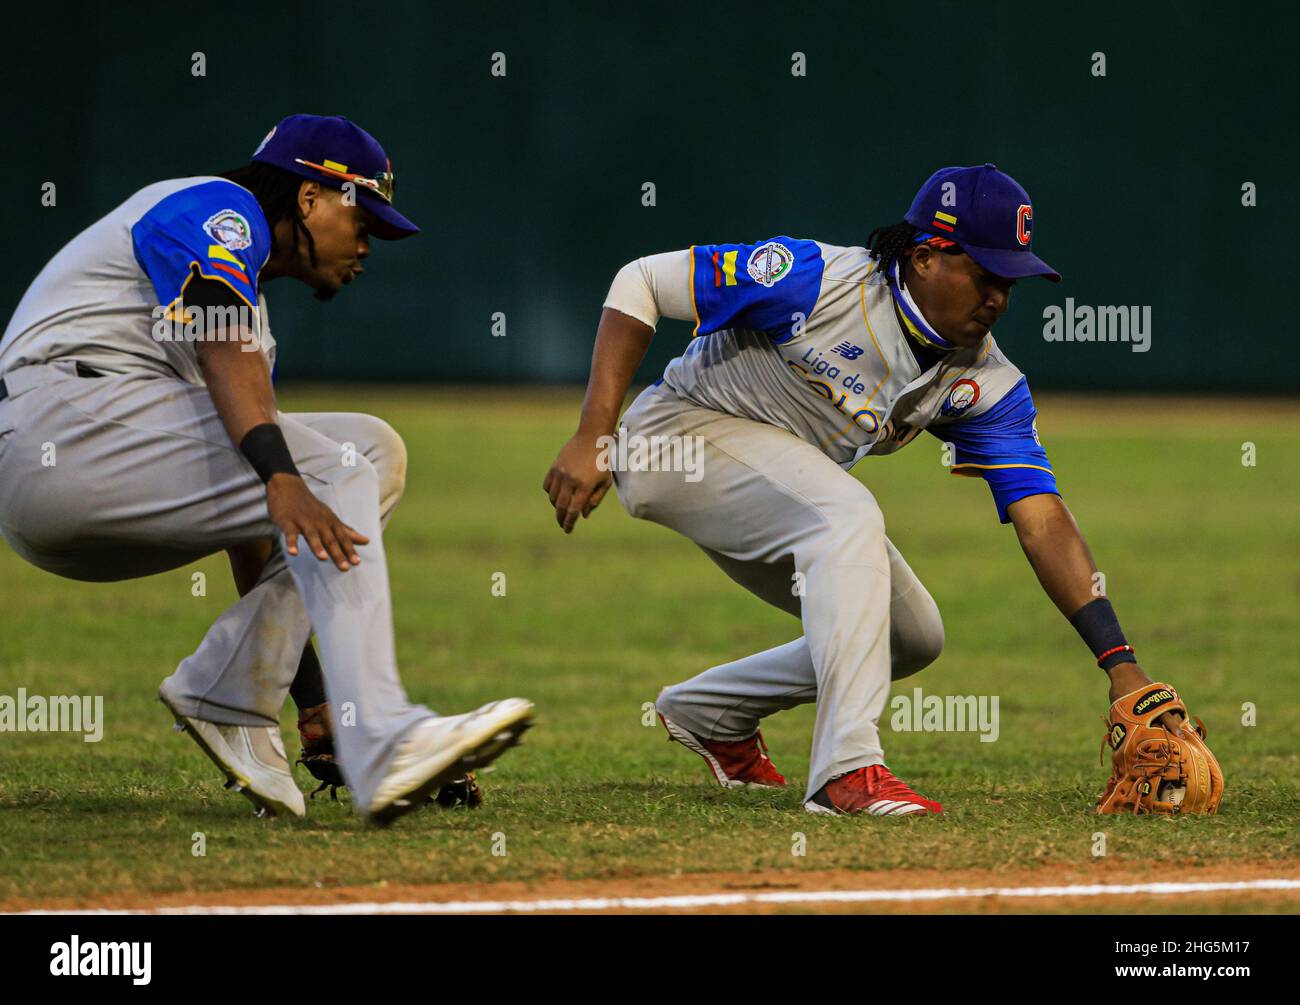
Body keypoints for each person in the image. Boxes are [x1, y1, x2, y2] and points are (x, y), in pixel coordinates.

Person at [544, 163, 1184, 816]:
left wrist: (1120, 660)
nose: (998, 296)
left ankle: (710, 713)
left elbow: (1041, 517)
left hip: (776, 493)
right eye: (986, 273)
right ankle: (846, 769)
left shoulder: (984, 381)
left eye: (1011, 280)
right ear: (927, 255)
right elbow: (641, 282)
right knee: (847, 512)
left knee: (911, 634)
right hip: (675, 439)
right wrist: (595, 434)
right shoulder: (814, 280)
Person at [0, 114, 533, 824]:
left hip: (72, 488)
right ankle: (381, 734)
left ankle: (239, 694)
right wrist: (281, 476)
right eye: (362, 215)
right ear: (310, 197)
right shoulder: (217, 207)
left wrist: (309, 697)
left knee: (351, 461)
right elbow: (231, 357)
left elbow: (258, 518)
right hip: (61, 423)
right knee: (356, 456)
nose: (368, 243)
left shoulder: (250, 318)